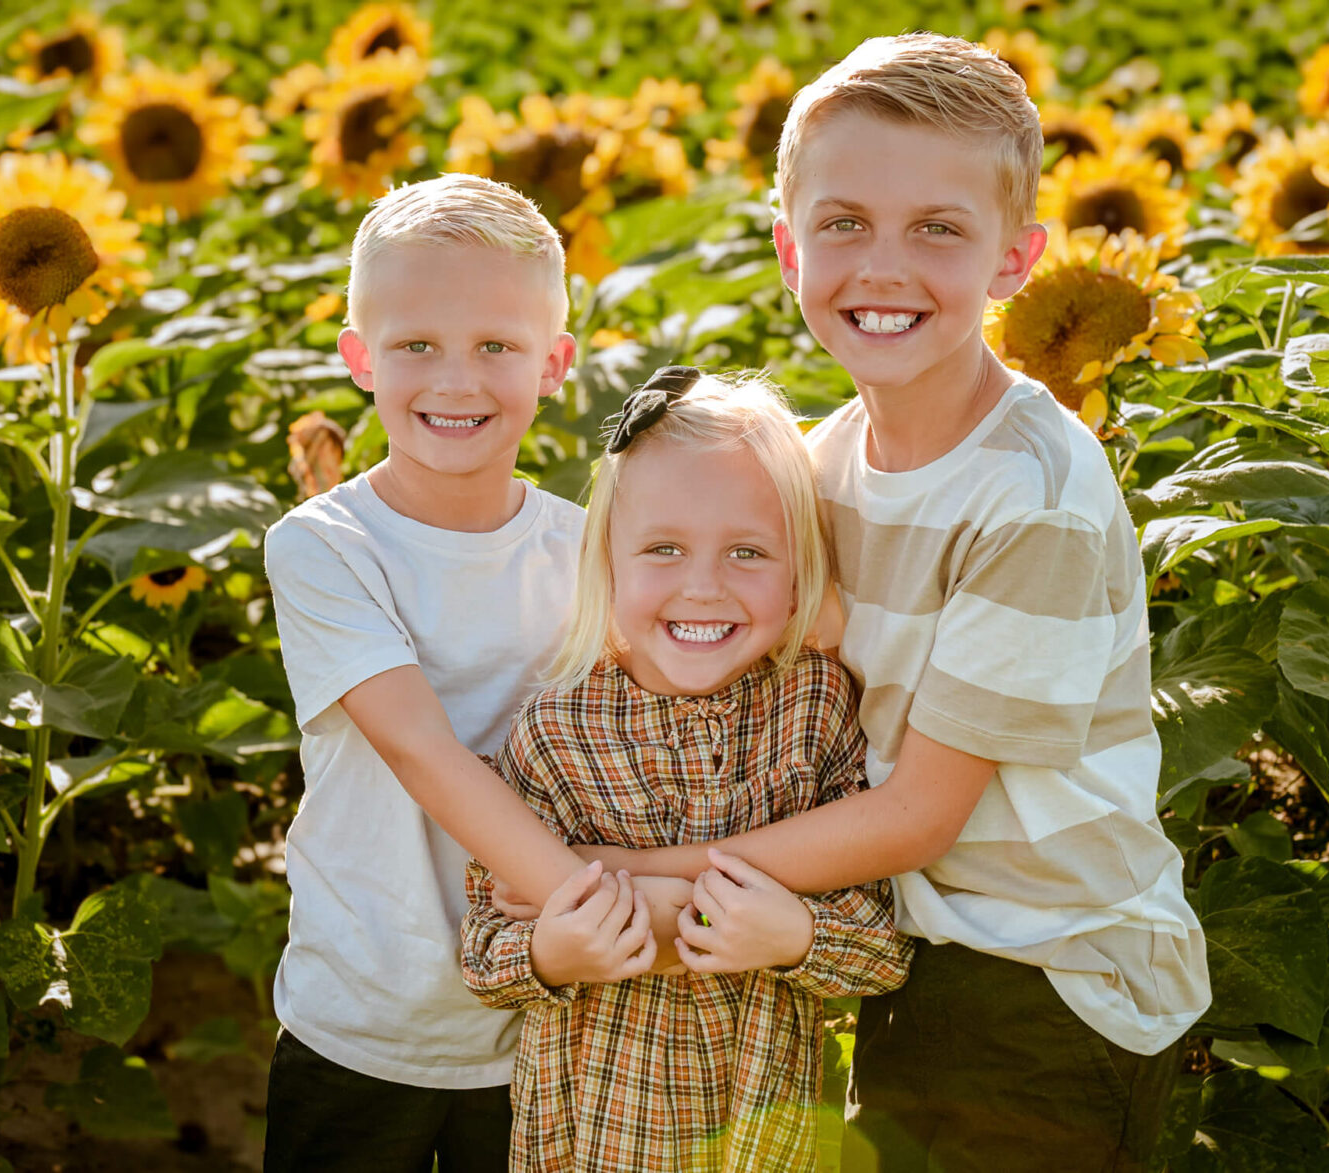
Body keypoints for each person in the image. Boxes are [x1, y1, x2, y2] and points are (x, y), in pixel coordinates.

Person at [587, 34, 1212, 1172]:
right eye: (843, 225)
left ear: (1014, 262)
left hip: (1048, 974)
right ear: (788, 251)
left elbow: (922, 813)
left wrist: (646, 872)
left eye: (937, 229)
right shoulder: (821, 466)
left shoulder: (1033, 496)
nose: (882, 267)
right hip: (907, 942)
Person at [261, 173, 660, 1173]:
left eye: (496, 346)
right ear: (359, 358)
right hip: (369, 1010)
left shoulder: (589, 550)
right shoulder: (327, 545)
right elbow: (422, 751)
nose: (455, 380)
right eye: (415, 346)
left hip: (541, 1022)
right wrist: (593, 913)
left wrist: (573, 943)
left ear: (555, 363)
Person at [460, 367, 913, 1173]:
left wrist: (796, 935)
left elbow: (886, 943)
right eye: (663, 549)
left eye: (747, 551)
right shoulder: (559, 730)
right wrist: (554, 953)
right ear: (607, 560)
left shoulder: (816, 710)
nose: (703, 586)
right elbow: (486, 941)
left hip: (765, 1143)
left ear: (801, 567)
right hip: (591, 1140)